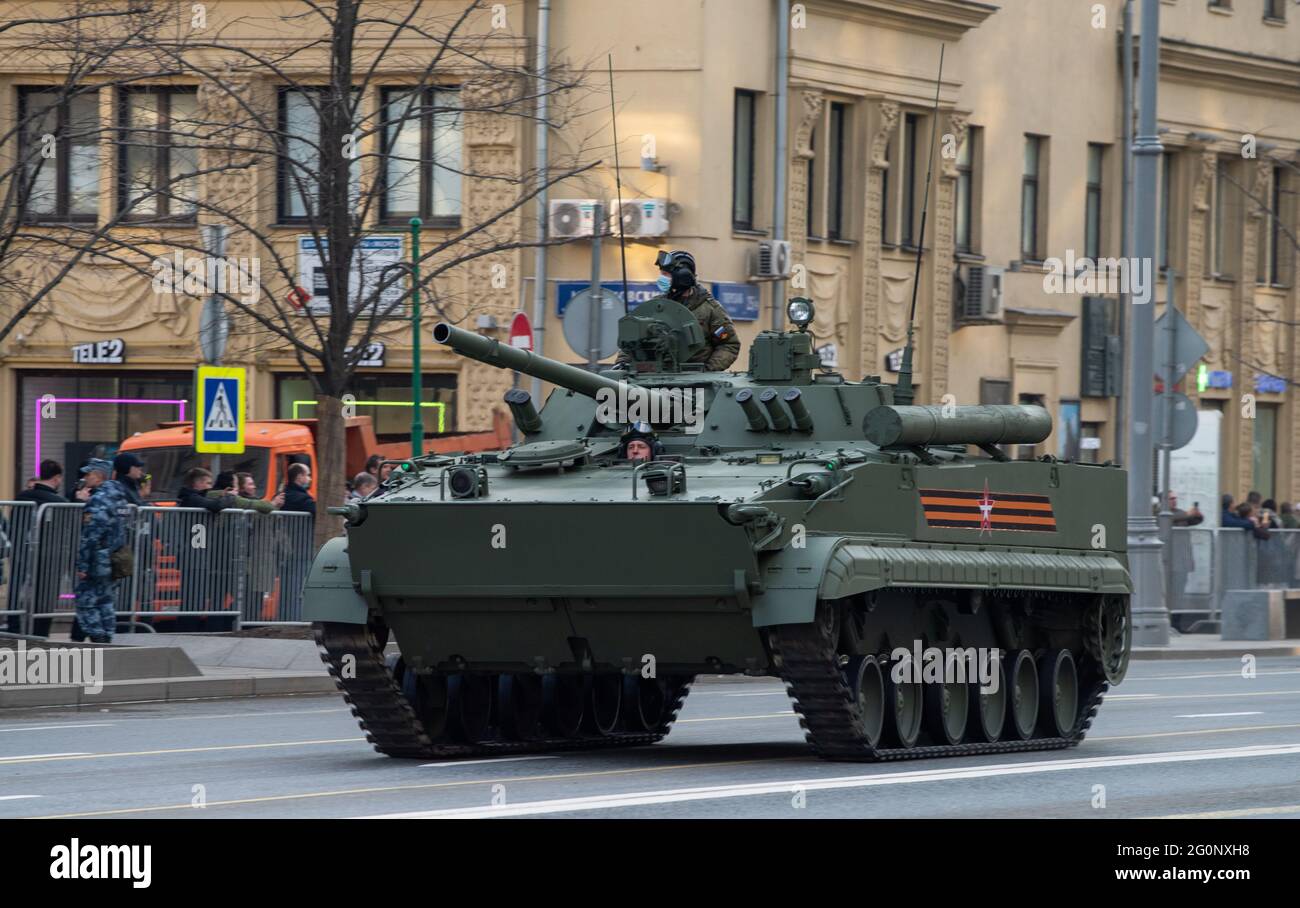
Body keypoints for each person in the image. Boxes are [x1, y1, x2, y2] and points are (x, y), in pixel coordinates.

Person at [617, 250, 739, 372]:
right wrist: (622, 365)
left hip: (695, 381)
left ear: (683, 276)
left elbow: (729, 345)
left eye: (666, 274)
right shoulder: (657, 307)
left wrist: (708, 370)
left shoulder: (709, 309)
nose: (661, 278)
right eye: (661, 274)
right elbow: (632, 342)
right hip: (654, 377)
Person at [74, 458, 131, 643]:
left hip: (97, 560)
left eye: (88, 474)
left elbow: (91, 534)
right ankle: (107, 636)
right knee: (106, 600)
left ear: (98, 476)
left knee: (85, 600)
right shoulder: (119, 497)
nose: (86, 478)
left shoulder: (98, 500)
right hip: (115, 557)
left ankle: (97, 635)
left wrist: (82, 564)